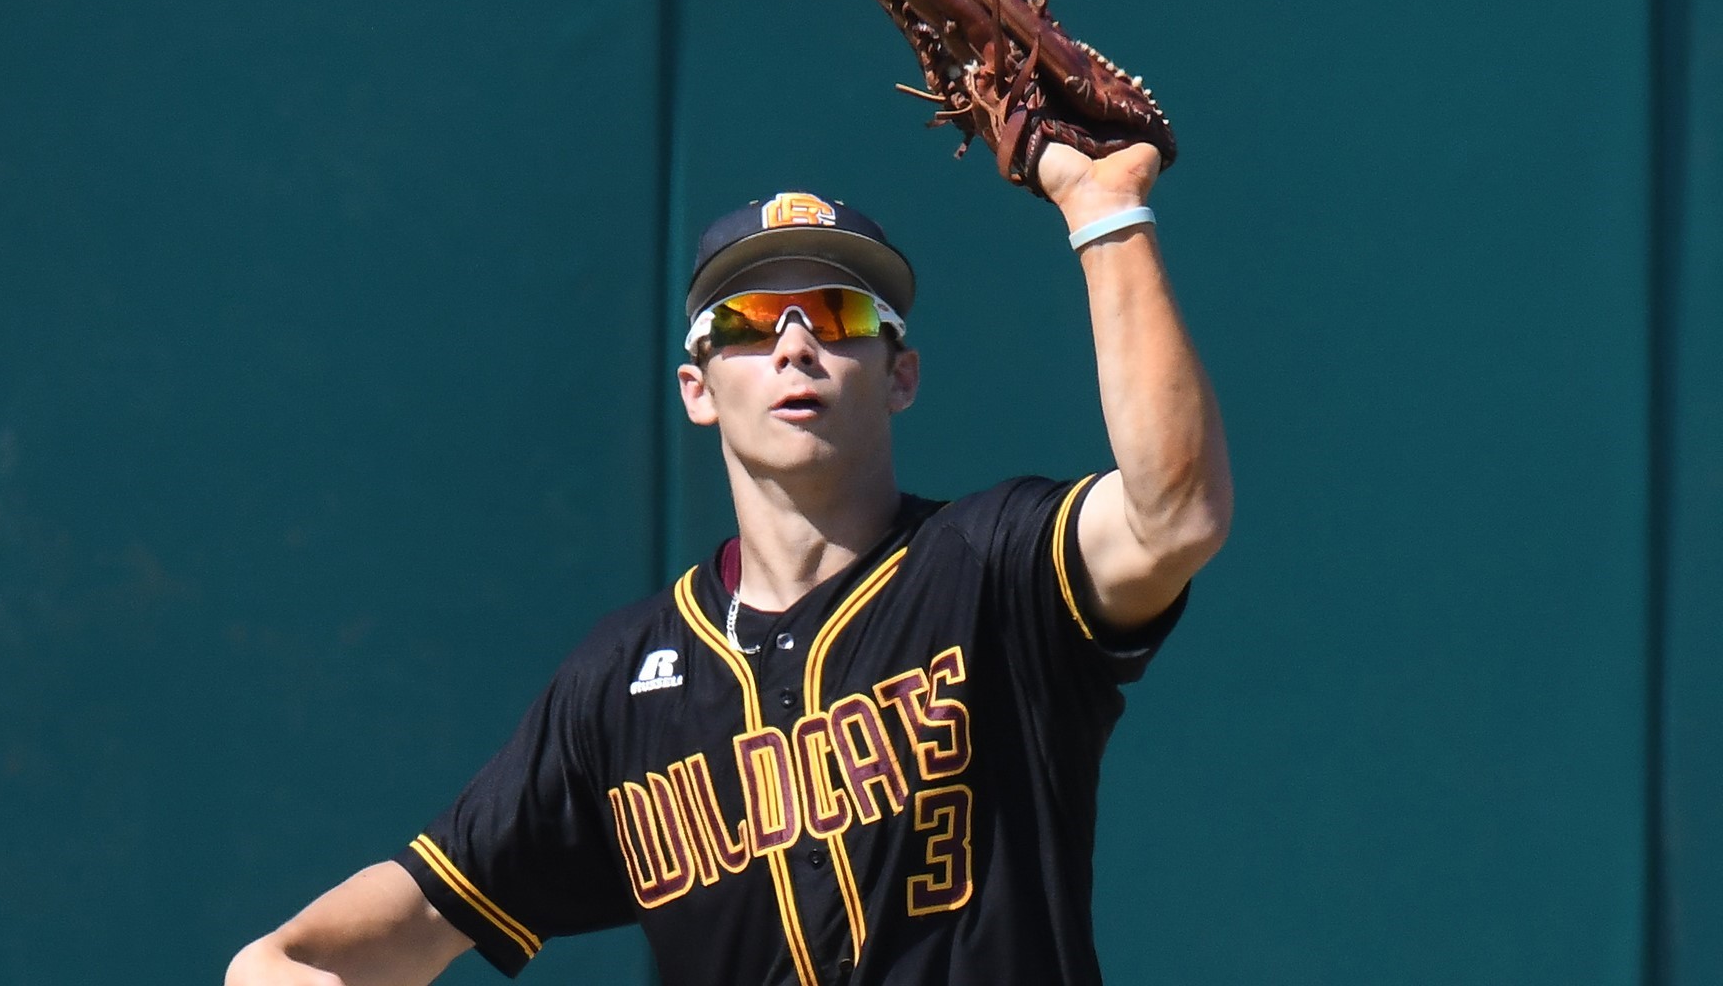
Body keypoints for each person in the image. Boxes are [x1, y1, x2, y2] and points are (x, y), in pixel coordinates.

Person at [225, 140, 1231, 986]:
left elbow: (1174, 513)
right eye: (750, 324)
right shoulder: (621, 687)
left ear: (901, 375)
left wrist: (1107, 217)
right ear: (697, 389)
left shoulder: (993, 569)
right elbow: (407, 917)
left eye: (838, 317)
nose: (795, 345)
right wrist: (270, 962)